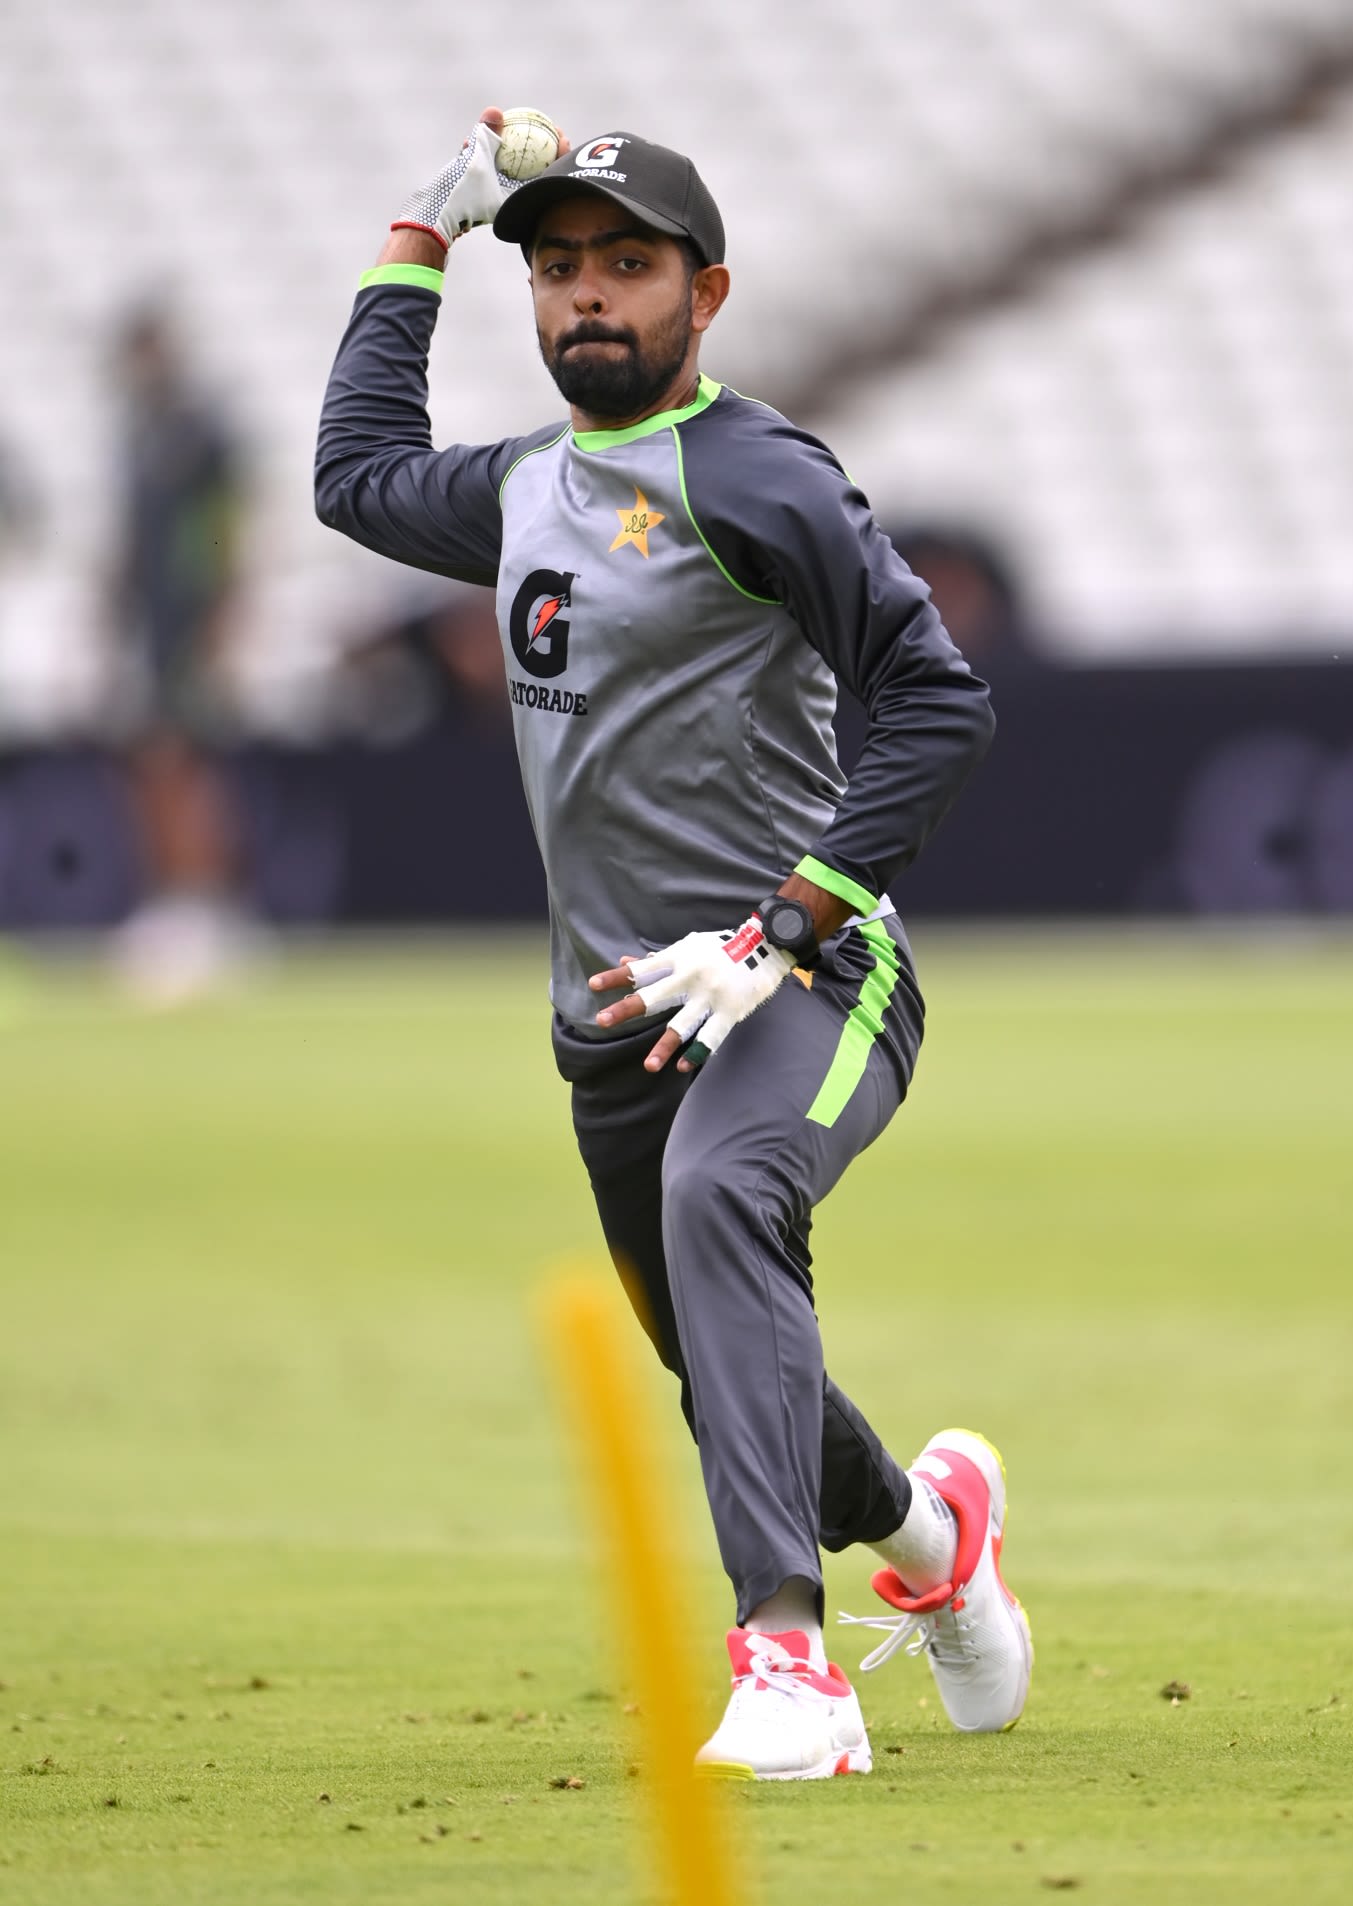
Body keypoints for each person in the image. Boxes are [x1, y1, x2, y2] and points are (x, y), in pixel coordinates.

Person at [316, 110, 1031, 1780]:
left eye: (625, 266)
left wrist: (787, 925)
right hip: (617, 1023)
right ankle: (935, 1539)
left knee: (726, 1206)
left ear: (704, 294)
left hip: (806, 979)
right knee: (721, 1362)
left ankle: (788, 1664)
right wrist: (420, 238)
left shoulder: (759, 475)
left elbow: (940, 702)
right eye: (558, 267)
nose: (587, 299)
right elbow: (353, 477)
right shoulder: (519, 489)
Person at [106, 307, 249, 999]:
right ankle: (172, 905)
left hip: (190, 624)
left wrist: (221, 614)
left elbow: (226, 529)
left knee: (186, 767)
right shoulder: (136, 433)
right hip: (151, 629)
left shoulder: (200, 433)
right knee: (154, 769)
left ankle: (206, 909)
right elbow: (130, 540)